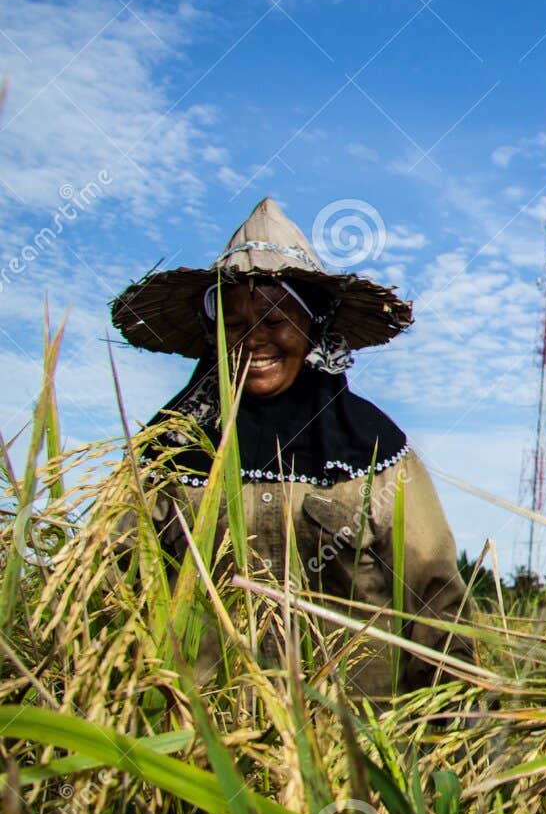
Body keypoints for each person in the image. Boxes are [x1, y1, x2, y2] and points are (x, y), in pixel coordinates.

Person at [110, 197, 469, 695]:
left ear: (312, 327)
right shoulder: (171, 452)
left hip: (349, 753)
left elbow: (436, 608)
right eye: (232, 324)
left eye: (276, 319)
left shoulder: (375, 453)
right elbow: (113, 596)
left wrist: (446, 736)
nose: (253, 340)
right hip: (198, 750)